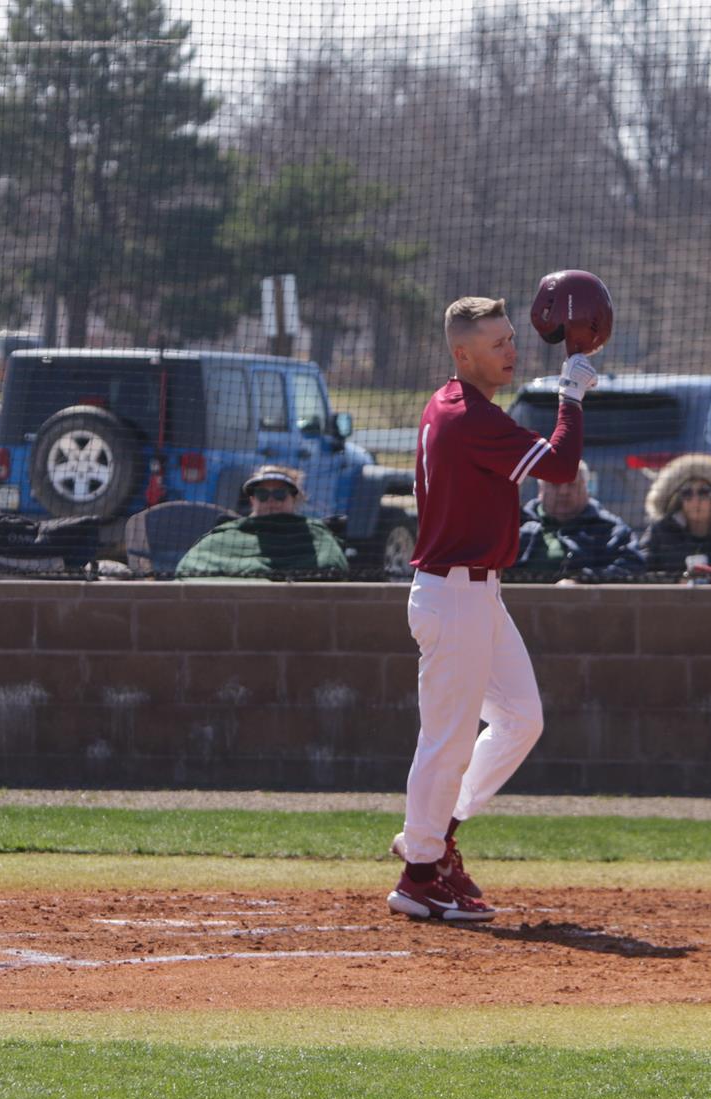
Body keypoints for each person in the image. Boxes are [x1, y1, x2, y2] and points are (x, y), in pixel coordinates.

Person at [390, 294, 597, 923]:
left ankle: (441, 832)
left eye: (510, 338)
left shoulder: (458, 402)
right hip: (454, 594)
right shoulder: (467, 417)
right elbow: (559, 466)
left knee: (519, 719)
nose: (513, 350)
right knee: (445, 741)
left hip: (474, 593)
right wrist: (572, 397)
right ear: (463, 354)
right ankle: (420, 873)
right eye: (498, 343)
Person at [174, 464, 347, 579]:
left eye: (280, 494)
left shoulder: (314, 533)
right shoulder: (228, 533)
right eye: (262, 495)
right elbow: (189, 567)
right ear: (252, 500)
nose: (271, 501)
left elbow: (331, 565)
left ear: (294, 498)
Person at [513, 465, 645, 583]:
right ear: (541, 490)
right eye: (555, 484)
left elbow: (632, 566)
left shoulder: (610, 529)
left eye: (572, 484)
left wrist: (582, 581)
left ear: (586, 489)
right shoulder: (517, 525)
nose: (564, 492)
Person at [637, 453, 711, 580]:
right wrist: (678, 581)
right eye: (687, 493)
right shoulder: (659, 534)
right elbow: (640, 573)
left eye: (704, 492)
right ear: (679, 500)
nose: (695, 500)